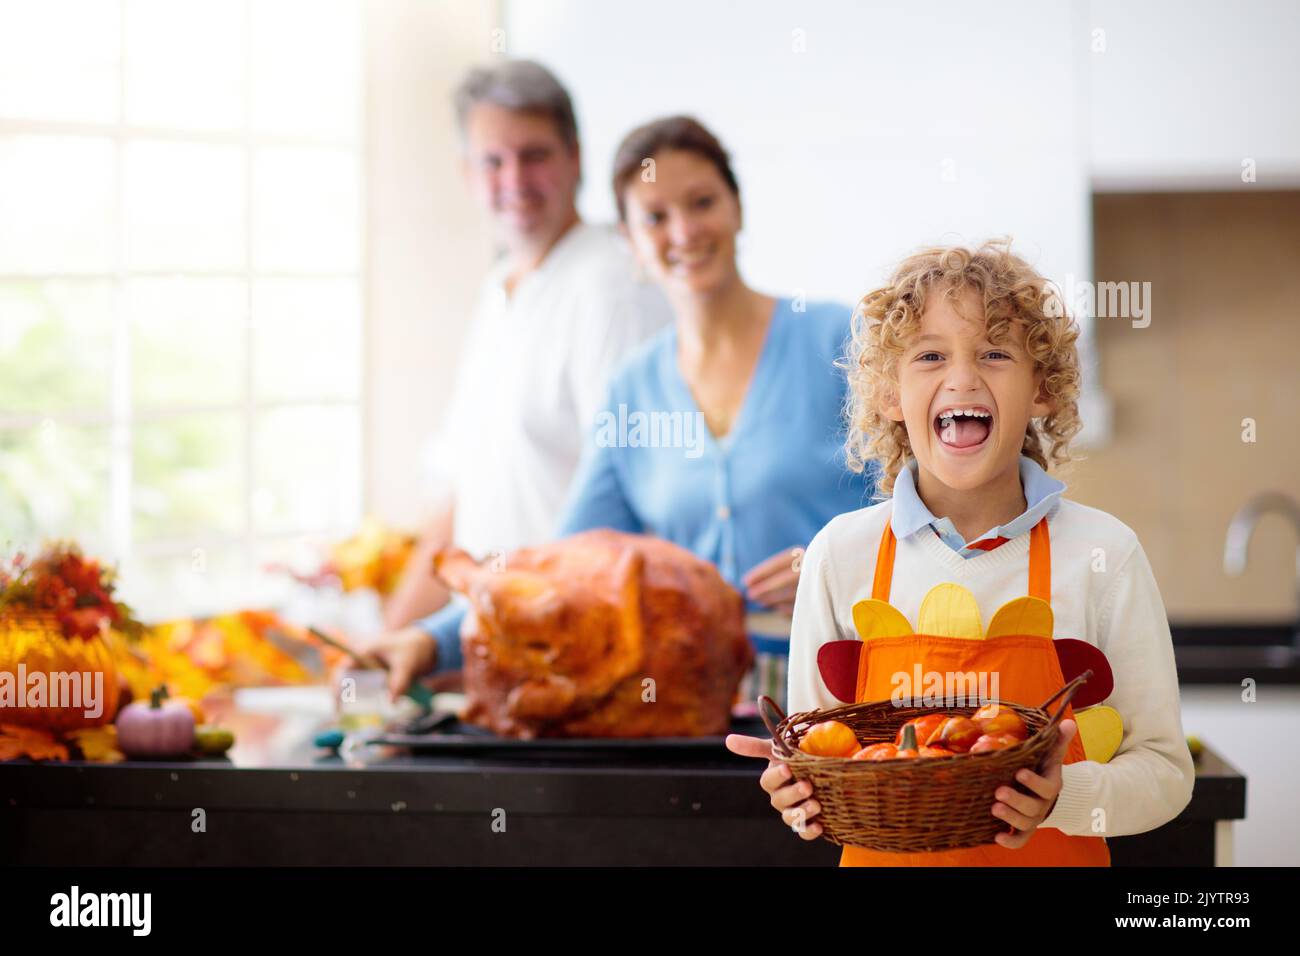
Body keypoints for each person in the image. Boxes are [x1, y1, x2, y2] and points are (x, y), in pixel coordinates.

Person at [374, 116, 876, 709]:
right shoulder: (634, 388)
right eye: (655, 217)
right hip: (696, 707)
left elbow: (936, 504)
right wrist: (431, 643)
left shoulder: (841, 342)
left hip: (850, 691)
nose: (684, 231)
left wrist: (835, 568)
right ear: (632, 243)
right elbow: (567, 564)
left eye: (702, 202)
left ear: (737, 210)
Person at [727, 240, 1194, 865]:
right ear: (891, 394)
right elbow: (822, 763)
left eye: (996, 353)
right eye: (930, 356)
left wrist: (1061, 797)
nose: (963, 377)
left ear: (1042, 390)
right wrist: (799, 795)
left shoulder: (1104, 554)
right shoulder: (841, 555)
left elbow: (1166, 773)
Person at [378, 59, 671, 632]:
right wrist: (389, 641)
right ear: (467, 173)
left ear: (575, 159)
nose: (514, 179)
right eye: (493, 160)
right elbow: (458, 499)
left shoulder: (611, 284)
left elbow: (629, 501)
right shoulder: (499, 291)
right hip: (493, 639)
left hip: (574, 639)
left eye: (535, 155)